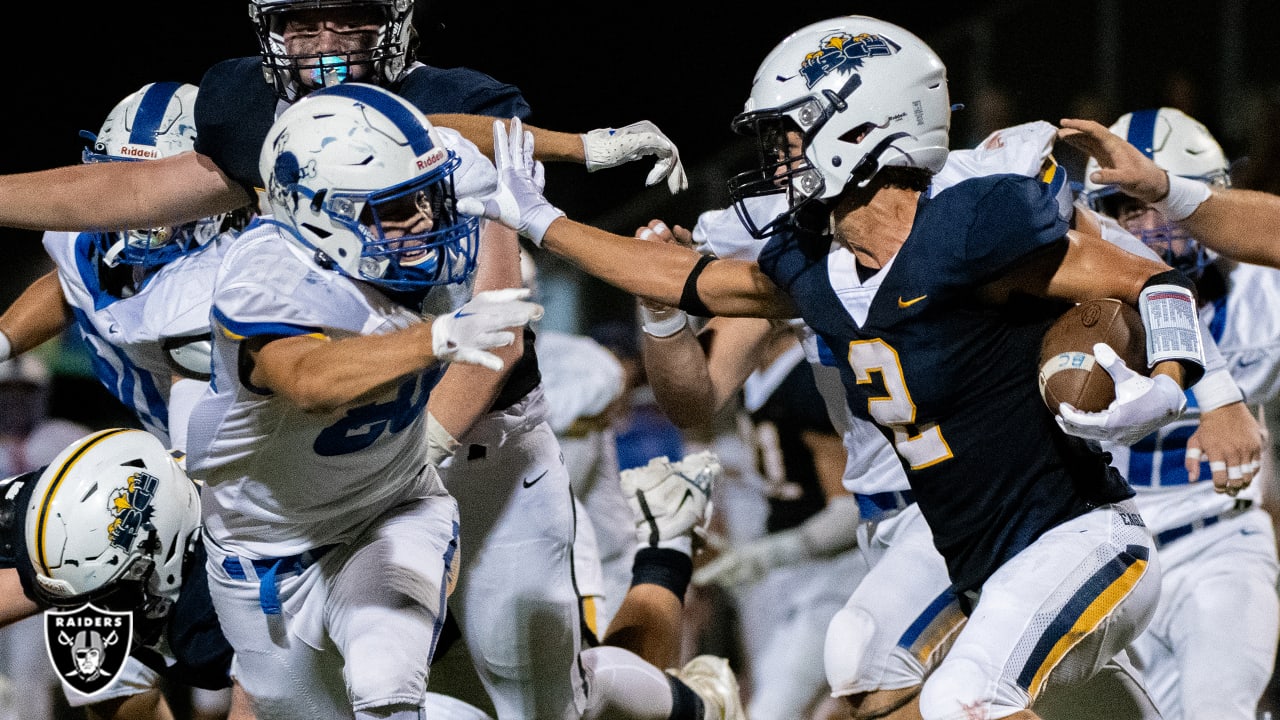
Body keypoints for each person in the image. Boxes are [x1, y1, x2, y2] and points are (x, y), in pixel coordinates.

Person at [462, 15, 1214, 720]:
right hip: (963, 546)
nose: (776, 159)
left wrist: (1169, 383)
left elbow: (1155, 281)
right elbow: (683, 279)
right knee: (860, 657)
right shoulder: (814, 263)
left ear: (864, 127)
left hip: (1078, 535)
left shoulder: (974, 226)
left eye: (790, 136)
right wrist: (541, 220)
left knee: (966, 696)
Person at [0, 3, 697, 716]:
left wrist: (578, 149)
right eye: (302, 23)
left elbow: (494, 333)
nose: (325, 44)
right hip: (324, 469)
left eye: (349, 19)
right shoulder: (253, 193)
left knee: (539, 698)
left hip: (467, 444)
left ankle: (684, 693)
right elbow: (137, 195)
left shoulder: (453, 127)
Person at [1080, 107, 1280, 720]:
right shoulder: (1075, 307)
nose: (1150, 229)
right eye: (1128, 211)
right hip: (1116, 562)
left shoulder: (1263, 294)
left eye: (1162, 206)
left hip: (1220, 539)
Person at [0, 426, 255, 720]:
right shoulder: (86, 500)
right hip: (163, 508)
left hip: (243, 597)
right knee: (97, 675)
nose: (86, 614)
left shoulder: (243, 598)